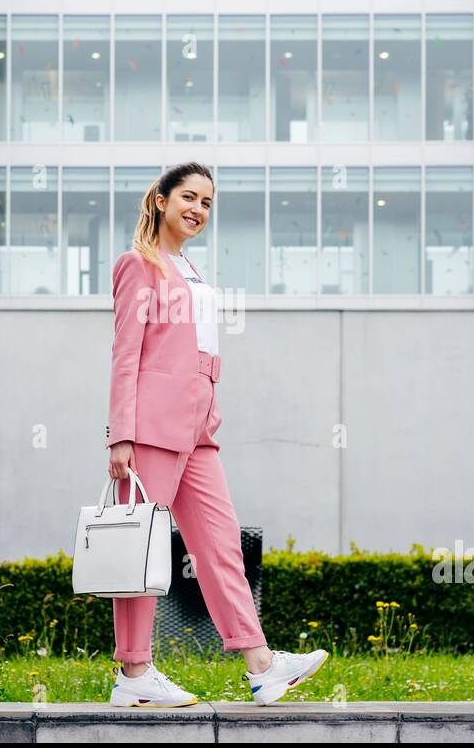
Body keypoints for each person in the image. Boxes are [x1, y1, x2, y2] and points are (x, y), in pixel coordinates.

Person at [104, 161, 328, 707]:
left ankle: (261, 666)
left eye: (207, 203)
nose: (198, 209)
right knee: (143, 547)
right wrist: (120, 434)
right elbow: (125, 352)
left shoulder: (190, 270)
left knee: (222, 545)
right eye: (188, 197)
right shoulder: (140, 265)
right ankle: (134, 674)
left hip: (198, 428)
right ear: (160, 200)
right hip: (152, 427)